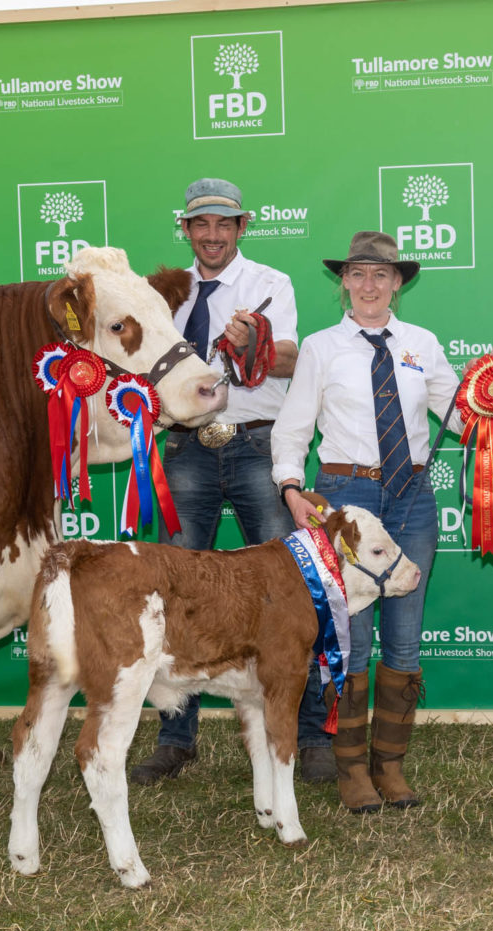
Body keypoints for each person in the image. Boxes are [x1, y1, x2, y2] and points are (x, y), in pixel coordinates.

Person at [127, 177, 333, 785]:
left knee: (291, 589)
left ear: (242, 227)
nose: (213, 235)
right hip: (184, 448)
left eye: (224, 224)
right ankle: (175, 737)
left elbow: (293, 358)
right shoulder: (162, 293)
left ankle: (309, 734)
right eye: (201, 225)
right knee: (175, 591)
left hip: (254, 444)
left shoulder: (270, 283)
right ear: (186, 230)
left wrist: (258, 342)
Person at [274, 232, 458, 813]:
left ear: (398, 282)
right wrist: (290, 486)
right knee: (349, 639)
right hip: (345, 500)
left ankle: (390, 766)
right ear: (344, 282)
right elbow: (293, 427)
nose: (369, 284)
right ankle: (351, 767)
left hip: (411, 498)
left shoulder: (422, 343)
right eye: (358, 274)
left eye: (381, 274)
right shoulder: (321, 347)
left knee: (404, 635)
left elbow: (459, 411)